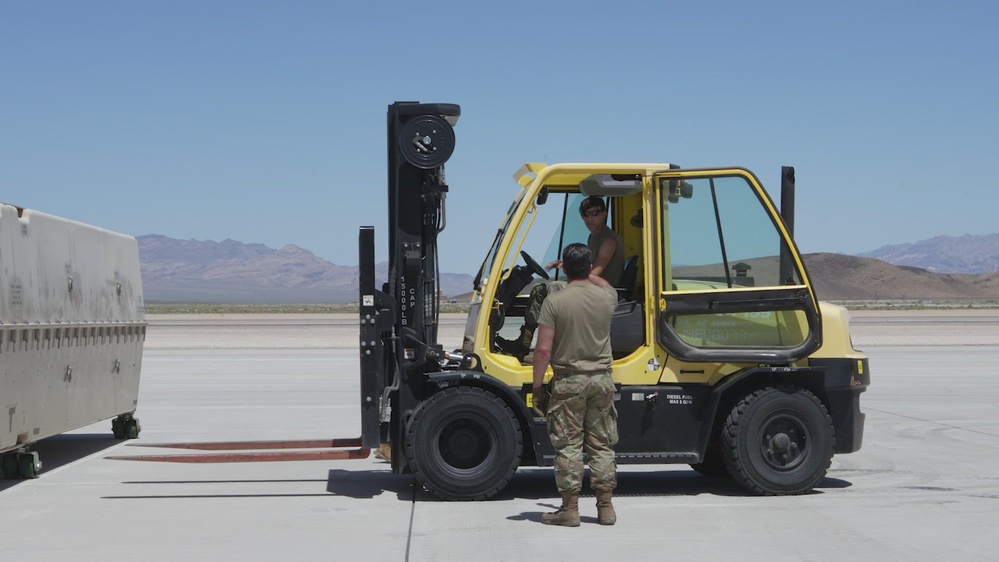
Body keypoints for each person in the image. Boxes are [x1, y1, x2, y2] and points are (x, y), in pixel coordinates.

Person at [532, 242, 619, 527]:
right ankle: (605, 508)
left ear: (565, 268)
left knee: (569, 447)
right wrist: (588, 272)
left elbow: (543, 350)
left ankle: (570, 510)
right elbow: (602, 282)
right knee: (601, 445)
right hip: (602, 381)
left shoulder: (554, 301)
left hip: (569, 382)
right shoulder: (608, 297)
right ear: (588, 266)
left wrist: (536, 389)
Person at [497, 196, 624, 361]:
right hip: (589, 287)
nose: (589, 218)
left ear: (604, 214)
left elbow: (594, 274)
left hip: (600, 291)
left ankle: (525, 346)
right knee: (543, 291)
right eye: (586, 214)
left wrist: (569, 270)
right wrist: (566, 264)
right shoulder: (594, 237)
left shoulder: (608, 240)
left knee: (541, 290)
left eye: (594, 213)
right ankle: (525, 343)